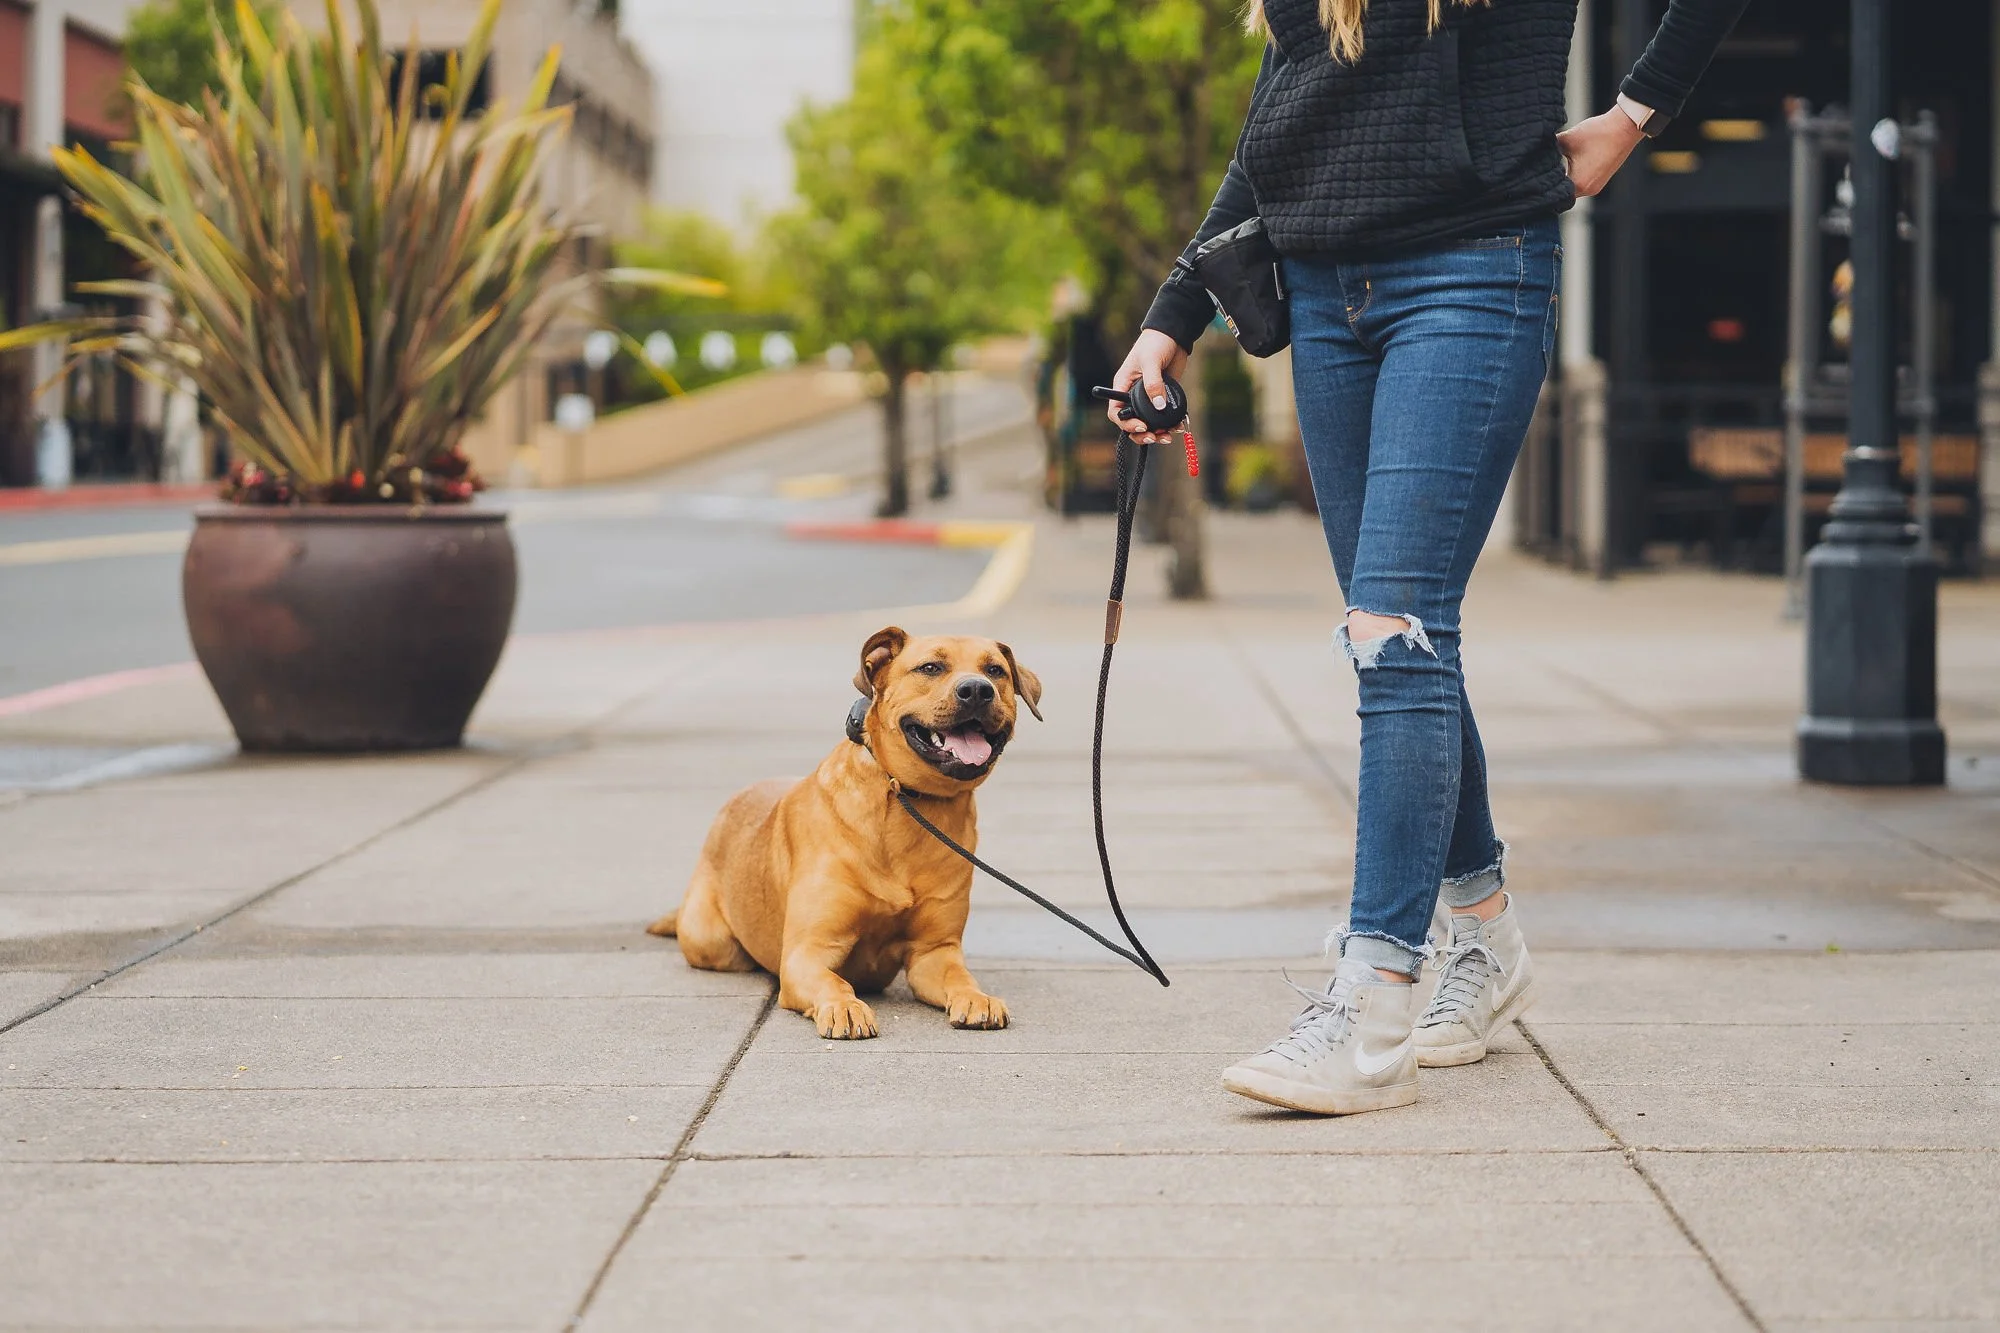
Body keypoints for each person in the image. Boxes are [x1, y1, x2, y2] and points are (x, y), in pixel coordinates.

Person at [1110, 0, 1748, 1116]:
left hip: (1468, 272)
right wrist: (1173, 316)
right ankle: (1484, 940)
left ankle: (1370, 1006)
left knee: (1392, 630)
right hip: (1322, 289)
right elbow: (1284, 120)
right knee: (1393, 647)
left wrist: (1635, 113)